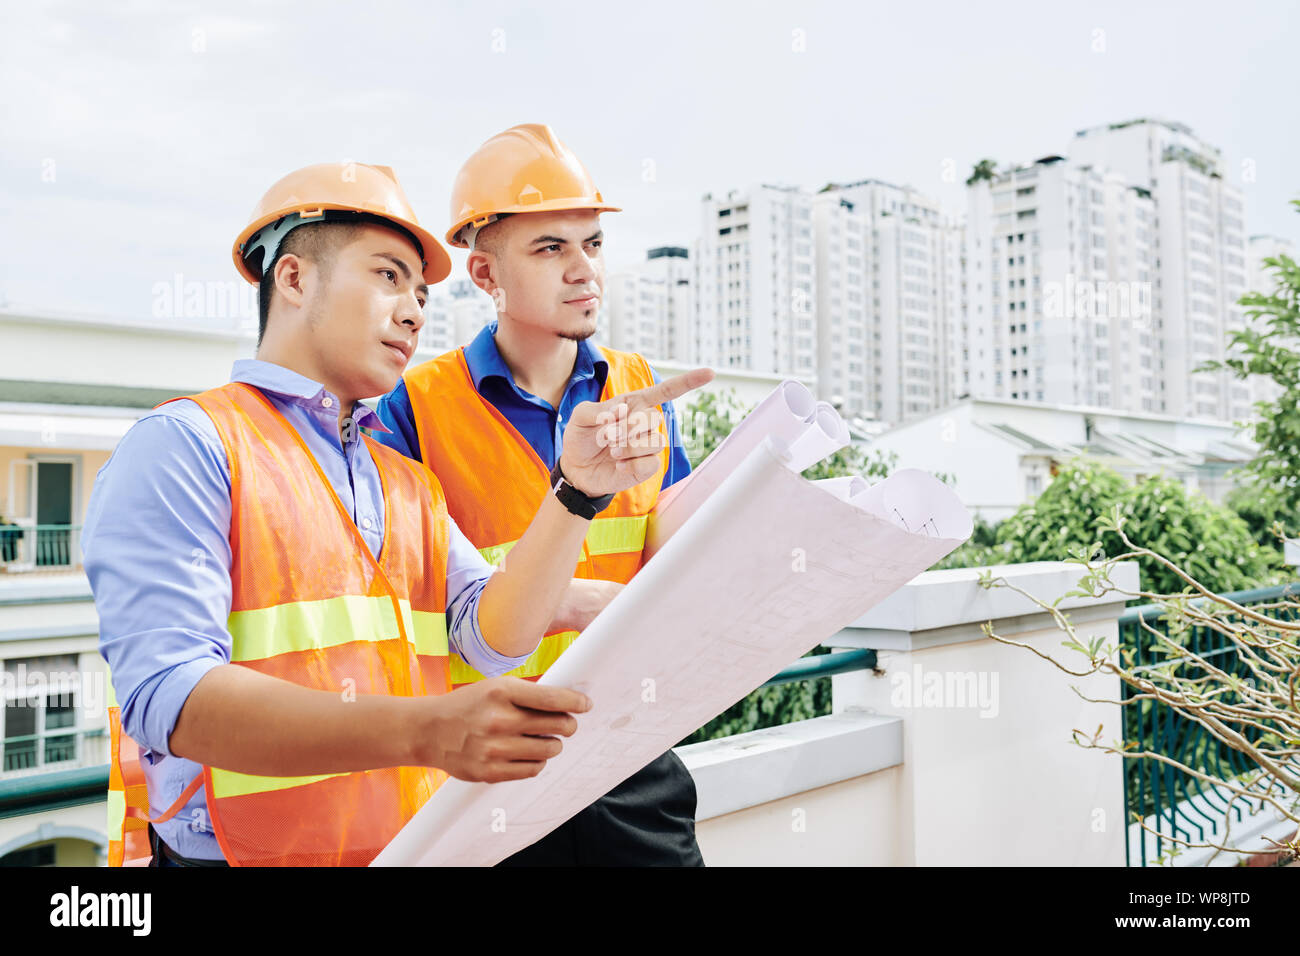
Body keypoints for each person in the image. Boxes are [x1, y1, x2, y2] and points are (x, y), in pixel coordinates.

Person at [86, 161, 709, 866]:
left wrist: (574, 494)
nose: (414, 310)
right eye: (387, 276)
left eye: (420, 291)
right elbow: (170, 696)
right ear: (292, 280)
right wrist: (424, 731)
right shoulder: (188, 447)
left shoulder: (403, 482)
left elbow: (490, 635)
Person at [375, 124, 708, 866]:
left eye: (592, 244)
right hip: (490, 763)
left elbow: (678, 564)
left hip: (629, 754)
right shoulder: (412, 408)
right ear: (485, 275)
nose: (583, 269)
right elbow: (405, 601)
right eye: (551, 248)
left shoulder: (639, 390)